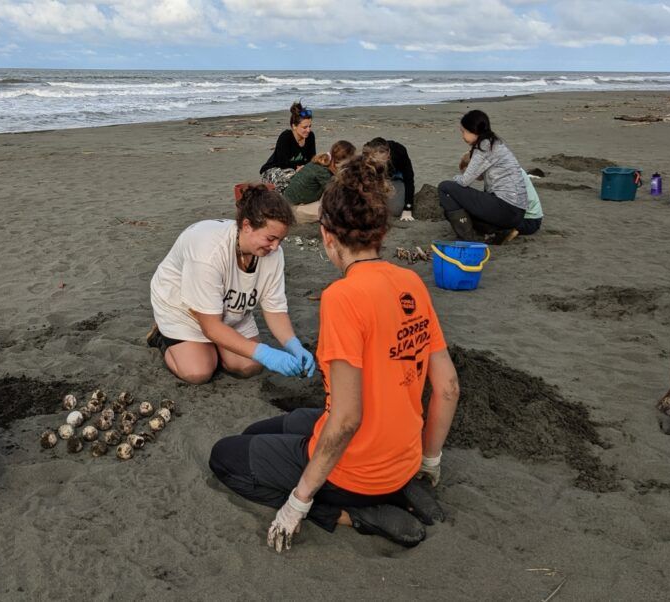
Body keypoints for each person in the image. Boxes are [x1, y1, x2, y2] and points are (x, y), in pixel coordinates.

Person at [209, 155, 460, 551]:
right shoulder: (411, 282)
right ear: (381, 232)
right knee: (260, 431)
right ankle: (402, 489)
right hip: (405, 458)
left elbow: (345, 420)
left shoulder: (343, 297)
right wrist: (429, 461)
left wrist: (299, 501)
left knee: (225, 456)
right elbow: (447, 387)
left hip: (358, 472)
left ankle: (354, 514)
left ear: (328, 235)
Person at [147, 185, 315, 385]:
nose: (276, 247)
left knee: (248, 366)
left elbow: (274, 309)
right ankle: (162, 336)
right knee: (198, 372)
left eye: (281, 239)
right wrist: (265, 353)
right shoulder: (209, 252)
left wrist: (292, 344)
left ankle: (213, 348)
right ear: (247, 226)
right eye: (270, 238)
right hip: (183, 308)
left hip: (229, 307)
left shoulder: (273, 254)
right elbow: (211, 326)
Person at [438, 109, 528, 244]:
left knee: (445, 187)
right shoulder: (494, 143)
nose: (462, 135)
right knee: (453, 210)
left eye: (463, 131)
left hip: (507, 207)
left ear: (473, 130)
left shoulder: (484, 147)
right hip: (516, 210)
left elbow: (464, 181)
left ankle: (468, 238)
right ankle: (498, 232)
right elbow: (479, 177)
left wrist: (456, 179)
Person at [458, 151, 543, 242]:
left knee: (471, 215)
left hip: (528, 221)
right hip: (530, 217)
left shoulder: (498, 174)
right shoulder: (498, 169)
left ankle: (507, 231)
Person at [283, 140, 355, 224]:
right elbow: (338, 194)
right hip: (294, 210)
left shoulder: (324, 161)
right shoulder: (323, 172)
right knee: (336, 211)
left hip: (290, 203)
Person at [259, 101, 317, 193]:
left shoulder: (310, 136)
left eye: (310, 126)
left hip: (297, 171)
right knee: (292, 178)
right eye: (304, 127)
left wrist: (305, 169)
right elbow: (282, 162)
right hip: (273, 170)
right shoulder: (285, 137)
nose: (308, 130)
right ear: (294, 126)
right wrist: (298, 168)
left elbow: (312, 159)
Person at [362, 137, 417, 221]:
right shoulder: (366, 153)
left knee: (395, 211)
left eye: (382, 161)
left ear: (388, 153)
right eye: (376, 161)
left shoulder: (399, 151)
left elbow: (409, 179)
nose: (380, 164)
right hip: (375, 179)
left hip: (395, 178)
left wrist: (408, 208)